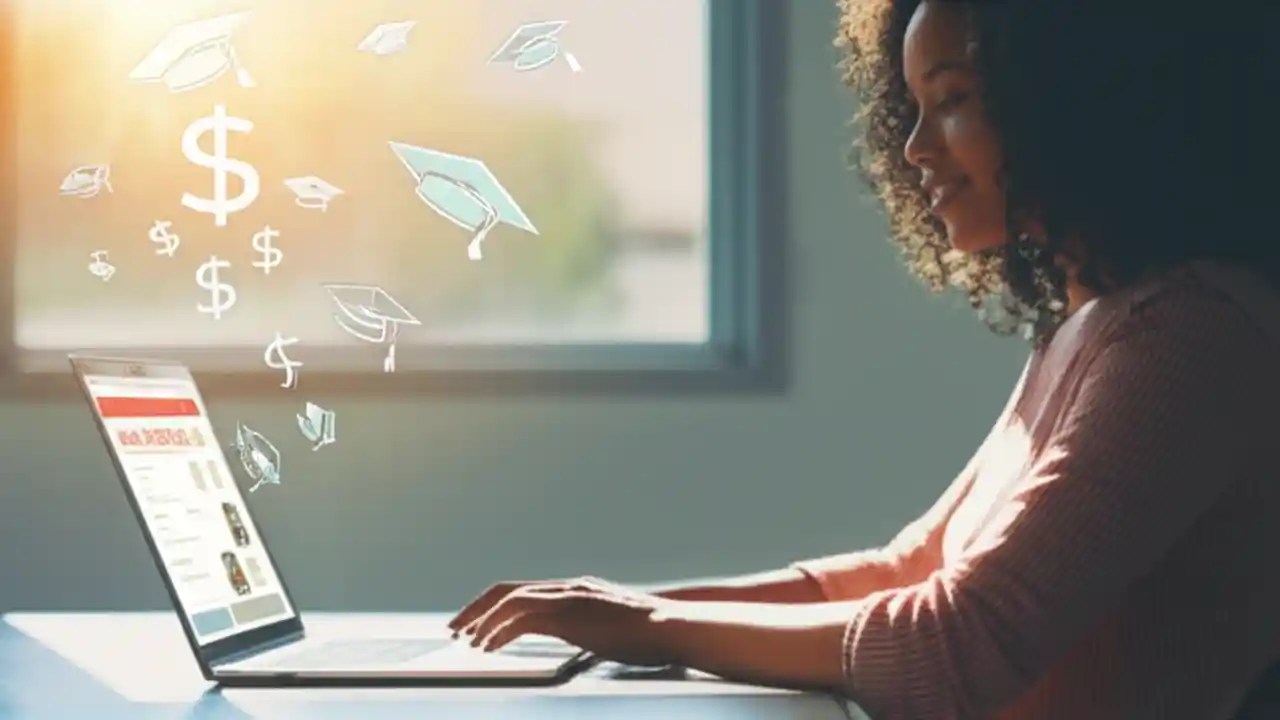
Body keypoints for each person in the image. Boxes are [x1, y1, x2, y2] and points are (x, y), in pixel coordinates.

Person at [447, 1, 1280, 717]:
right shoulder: (1095, 318)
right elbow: (908, 570)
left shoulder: (1191, 336)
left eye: (951, 99)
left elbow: (958, 642)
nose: (916, 148)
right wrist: (624, 609)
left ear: (1072, 101)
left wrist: (648, 628)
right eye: (912, 108)